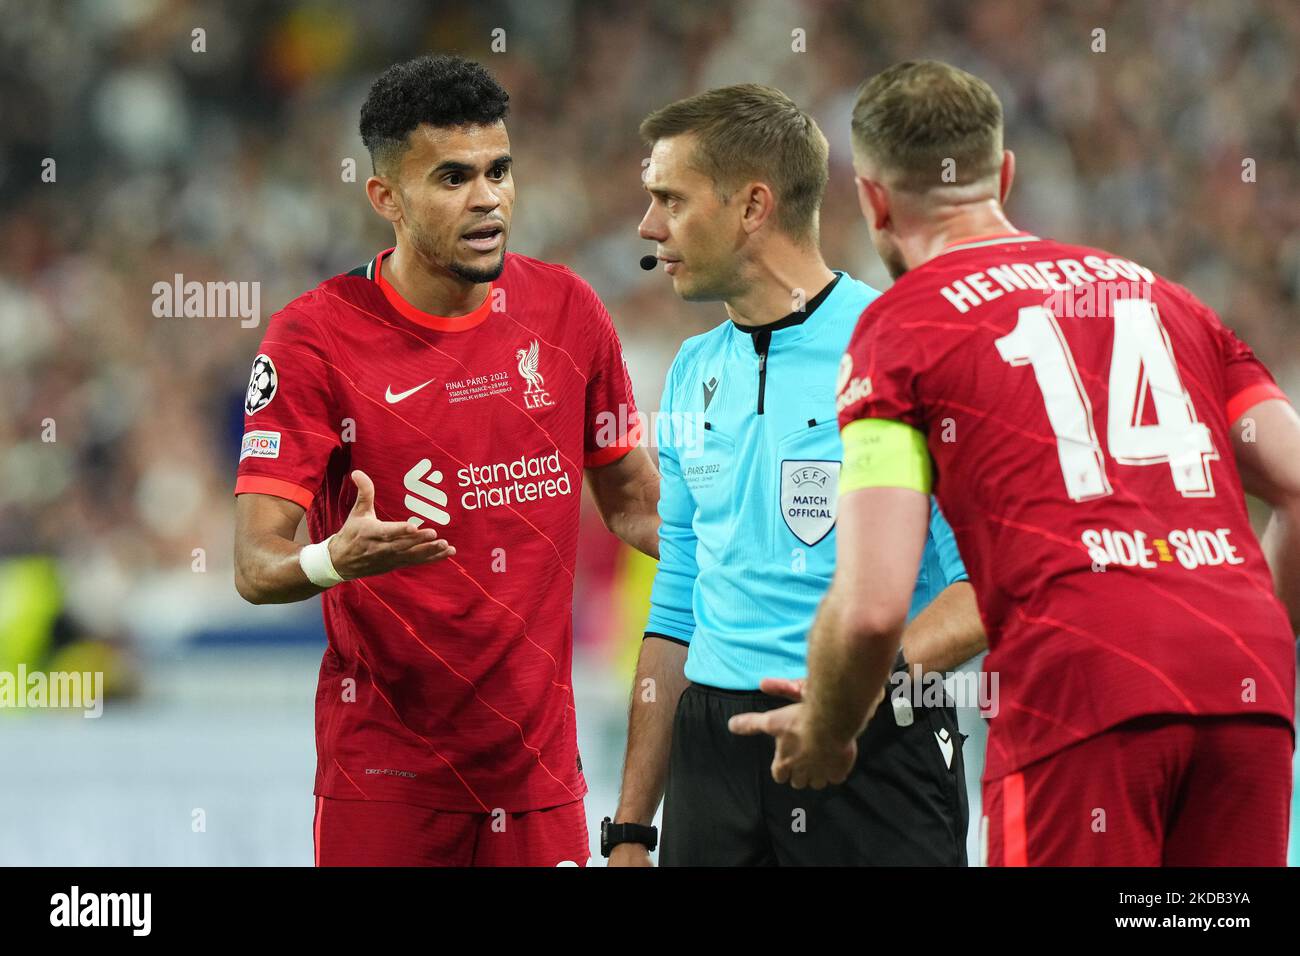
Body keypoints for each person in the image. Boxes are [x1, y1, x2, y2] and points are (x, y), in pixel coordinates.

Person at [731, 60, 1299, 866]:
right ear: (1003, 174)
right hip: (1247, 682)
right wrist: (1246, 633)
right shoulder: (1164, 298)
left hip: (1084, 688)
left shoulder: (901, 329)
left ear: (874, 199)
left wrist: (827, 731)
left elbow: (872, 603)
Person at [232, 54, 660, 867]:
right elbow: (256, 565)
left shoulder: (568, 311)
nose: (489, 198)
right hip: (385, 779)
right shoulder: (314, 340)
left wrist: (745, 553)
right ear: (385, 198)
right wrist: (333, 559)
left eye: (500, 171)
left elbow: (636, 502)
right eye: (454, 178)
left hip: (539, 779)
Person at [605, 84, 984, 867]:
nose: (648, 229)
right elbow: (677, 604)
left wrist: (850, 693)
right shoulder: (690, 370)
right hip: (711, 754)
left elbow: (985, 583)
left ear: (751, 207)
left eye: (669, 200)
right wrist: (634, 828)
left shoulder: (906, 346)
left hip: (873, 743)